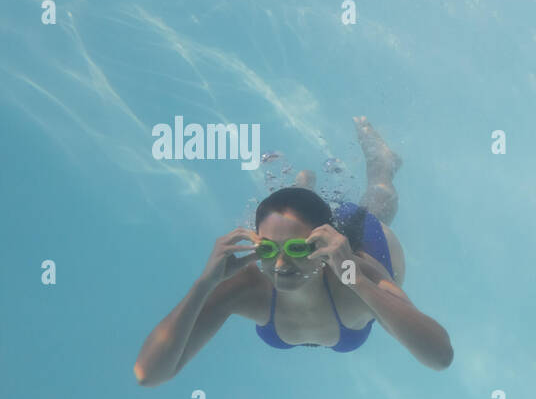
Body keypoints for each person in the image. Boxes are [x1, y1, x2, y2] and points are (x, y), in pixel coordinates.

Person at [134, 117, 452, 384]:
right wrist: (205, 283)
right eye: (268, 249)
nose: (281, 263)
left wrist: (355, 281)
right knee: (291, 216)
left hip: (357, 250)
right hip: (308, 227)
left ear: (321, 246)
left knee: (376, 209)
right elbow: (148, 375)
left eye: (299, 249)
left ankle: (383, 168)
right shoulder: (245, 287)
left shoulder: (358, 270)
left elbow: (440, 357)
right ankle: (302, 192)